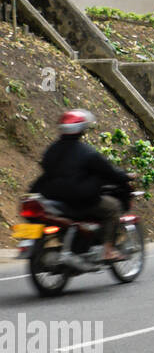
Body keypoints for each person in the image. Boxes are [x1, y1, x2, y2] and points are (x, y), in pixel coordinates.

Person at [33, 110, 131, 261]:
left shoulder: (51, 150)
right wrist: (125, 177)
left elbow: (47, 169)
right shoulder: (87, 152)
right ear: (81, 130)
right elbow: (109, 171)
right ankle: (108, 250)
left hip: (54, 198)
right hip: (80, 200)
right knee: (113, 208)